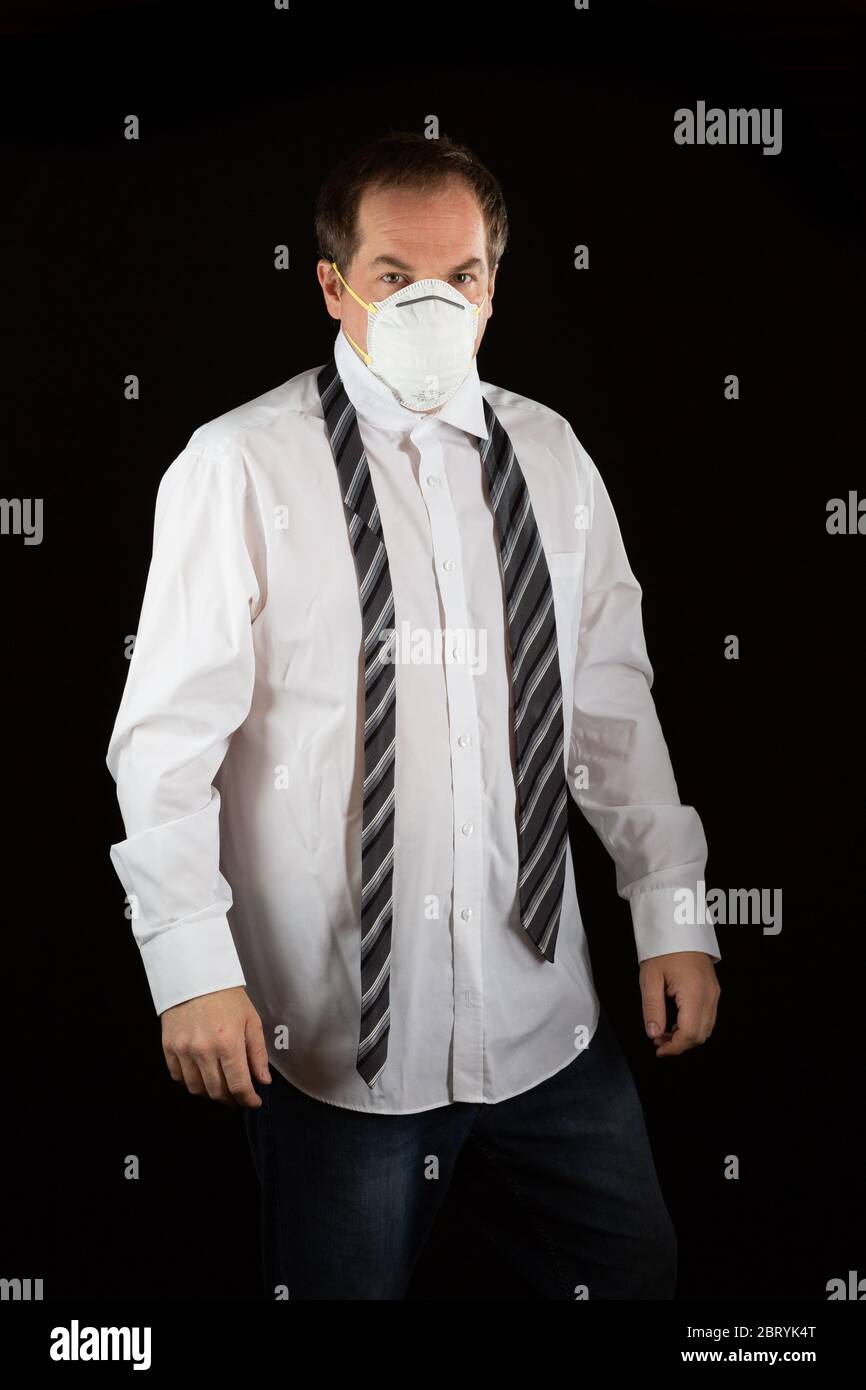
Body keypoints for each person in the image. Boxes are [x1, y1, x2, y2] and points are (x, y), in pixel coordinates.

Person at [105, 130, 721, 1300]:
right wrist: (188, 964)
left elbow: (605, 703)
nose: (434, 303)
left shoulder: (551, 455)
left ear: (495, 284)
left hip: (547, 1020)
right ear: (332, 284)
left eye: (463, 277)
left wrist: (671, 910)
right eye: (397, 276)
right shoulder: (235, 466)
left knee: (633, 1275)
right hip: (332, 1041)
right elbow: (165, 743)